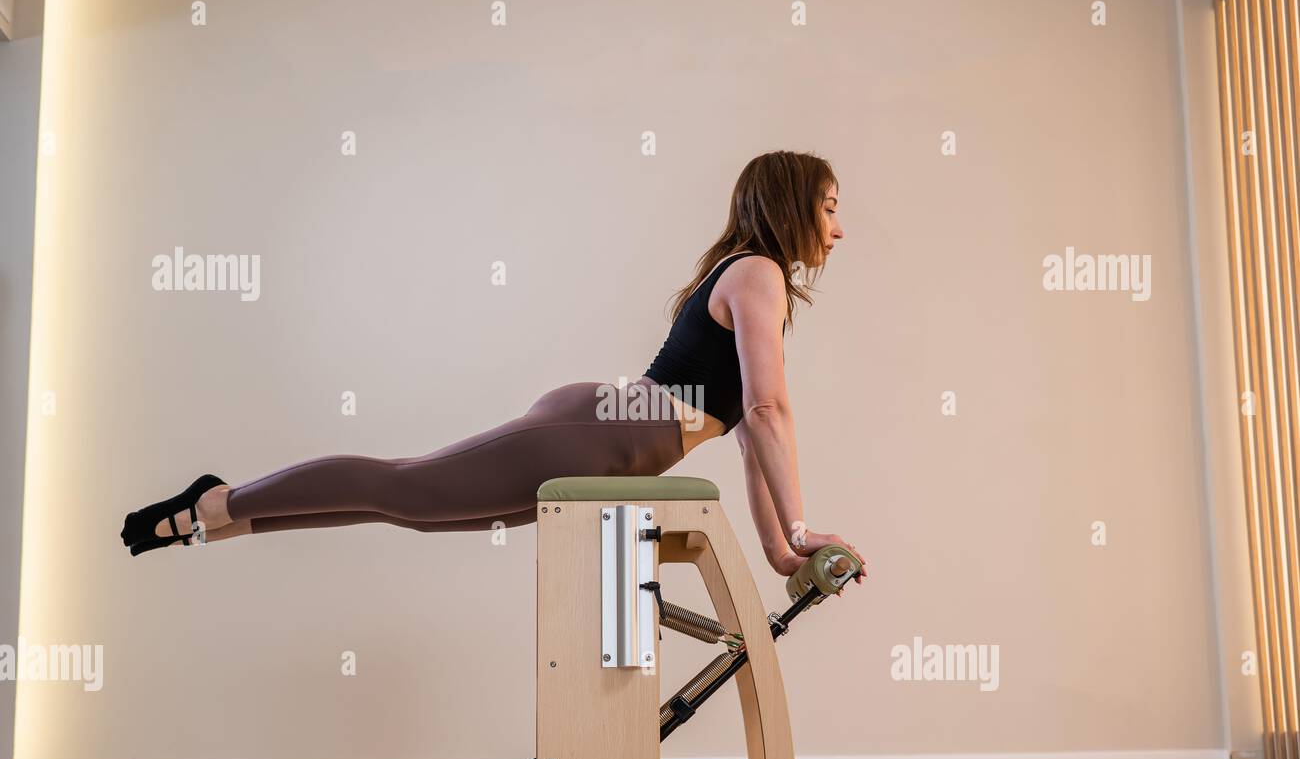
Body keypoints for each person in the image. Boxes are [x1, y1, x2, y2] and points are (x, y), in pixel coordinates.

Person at [120, 150, 863, 580]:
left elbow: (749, 437)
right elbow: (768, 411)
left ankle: (217, 525)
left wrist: (779, 548)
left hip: (602, 443)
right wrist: (801, 531)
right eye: (829, 207)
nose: (837, 229)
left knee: (408, 508)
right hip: (593, 433)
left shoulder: (753, 279)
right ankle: (218, 502)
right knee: (404, 482)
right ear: (790, 205)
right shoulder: (758, 272)